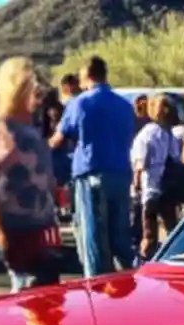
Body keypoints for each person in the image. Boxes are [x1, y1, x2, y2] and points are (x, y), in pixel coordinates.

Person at [0, 57, 61, 289]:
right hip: (17, 228)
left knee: (49, 300)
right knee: (28, 295)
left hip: (43, 225)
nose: (38, 91)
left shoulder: (29, 126)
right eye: (31, 85)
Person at [50, 56, 134, 277]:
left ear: (86, 75)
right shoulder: (125, 106)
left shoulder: (80, 103)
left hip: (92, 174)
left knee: (93, 238)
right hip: (121, 173)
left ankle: (97, 290)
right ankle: (130, 280)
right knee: (120, 236)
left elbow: (60, 137)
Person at [130, 95, 182, 260]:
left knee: (148, 229)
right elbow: (176, 157)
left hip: (150, 187)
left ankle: (145, 258)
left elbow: (140, 161)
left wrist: (136, 182)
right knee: (171, 225)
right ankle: (175, 253)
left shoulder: (146, 133)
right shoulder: (169, 134)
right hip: (166, 186)